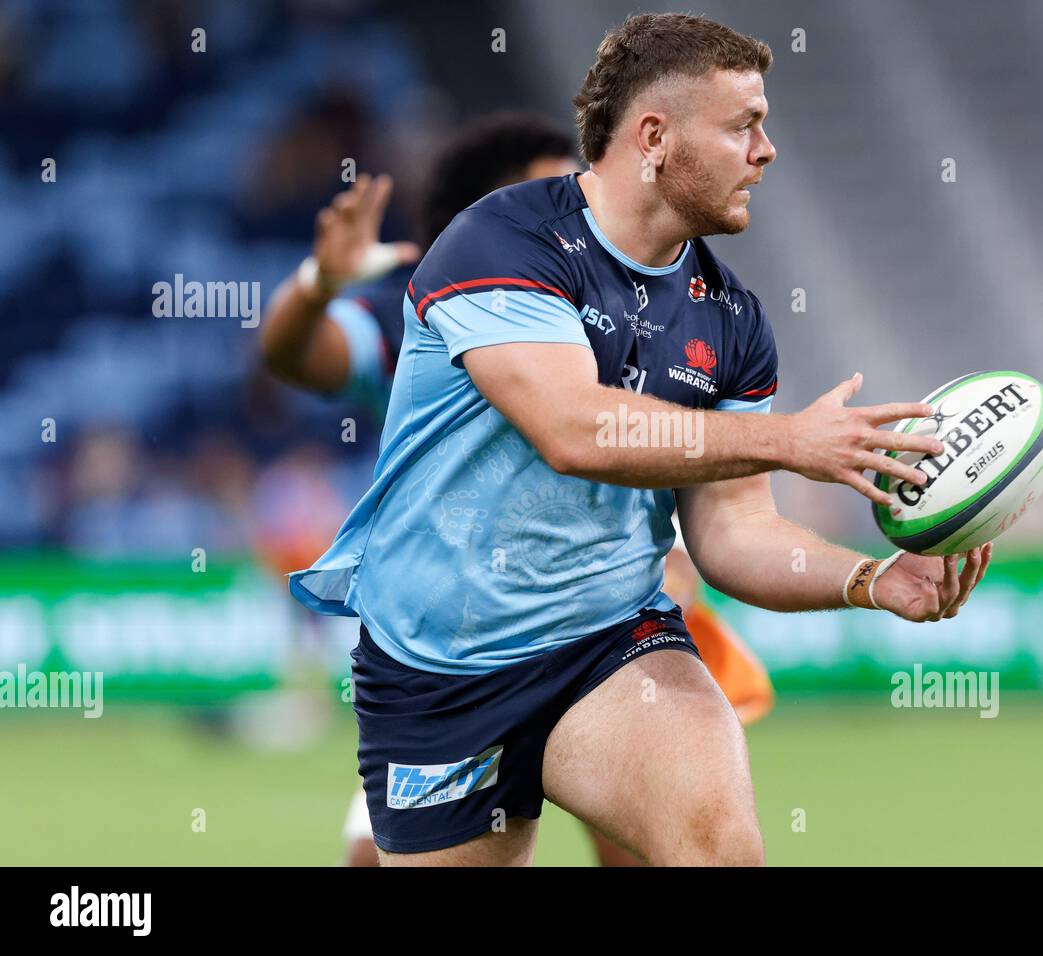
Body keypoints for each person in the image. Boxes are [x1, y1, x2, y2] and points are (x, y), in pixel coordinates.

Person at [289, 12, 991, 867]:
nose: (766, 151)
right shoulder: (502, 240)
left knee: (720, 853)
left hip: (610, 641)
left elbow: (734, 535)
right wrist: (789, 441)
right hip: (438, 668)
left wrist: (869, 580)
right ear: (654, 136)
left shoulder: (731, 317)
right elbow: (573, 430)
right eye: (743, 126)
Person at [260, 110, 774, 867]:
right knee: (371, 858)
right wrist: (319, 283)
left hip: (598, 632)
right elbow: (296, 357)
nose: (579, 207)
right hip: (457, 650)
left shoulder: (641, 309)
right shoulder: (422, 316)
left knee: (667, 840)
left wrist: (685, 564)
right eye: (551, 193)